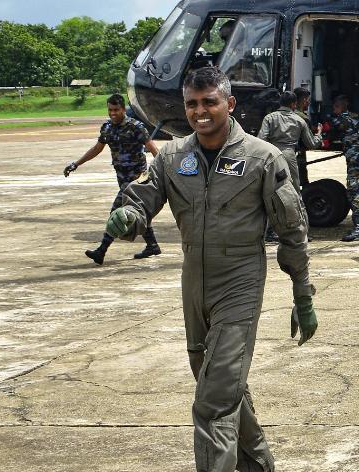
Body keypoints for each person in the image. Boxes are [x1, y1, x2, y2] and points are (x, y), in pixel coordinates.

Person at [103, 66, 318, 472]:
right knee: (219, 385)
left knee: (212, 403)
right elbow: (141, 200)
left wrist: (303, 294)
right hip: (193, 283)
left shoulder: (262, 158)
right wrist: (127, 217)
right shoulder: (172, 156)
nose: (200, 111)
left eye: (209, 102)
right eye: (192, 104)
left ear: (229, 104)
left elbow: (293, 229)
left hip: (240, 281)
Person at [65, 93, 163, 264]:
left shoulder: (136, 126)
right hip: (121, 177)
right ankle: (152, 245)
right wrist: (76, 164)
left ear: (123, 109)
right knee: (136, 211)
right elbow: (97, 148)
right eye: (110, 110)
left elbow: (152, 148)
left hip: (136, 179)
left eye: (116, 110)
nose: (113, 113)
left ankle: (101, 251)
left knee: (116, 214)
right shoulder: (107, 128)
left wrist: (164, 167)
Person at [257, 90, 317, 243]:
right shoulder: (299, 120)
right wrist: (320, 134)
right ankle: (302, 232)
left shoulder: (269, 118)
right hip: (290, 157)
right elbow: (312, 144)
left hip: (272, 157)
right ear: (293, 104)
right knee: (295, 195)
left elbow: (260, 139)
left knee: (270, 193)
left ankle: (270, 232)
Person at [328, 94, 359, 241]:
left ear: (340, 106)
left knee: (353, 194)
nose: (334, 110)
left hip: (355, 161)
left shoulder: (340, 119)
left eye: (336, 107)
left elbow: (330, 129)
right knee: (356, 192)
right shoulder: (356, 116)